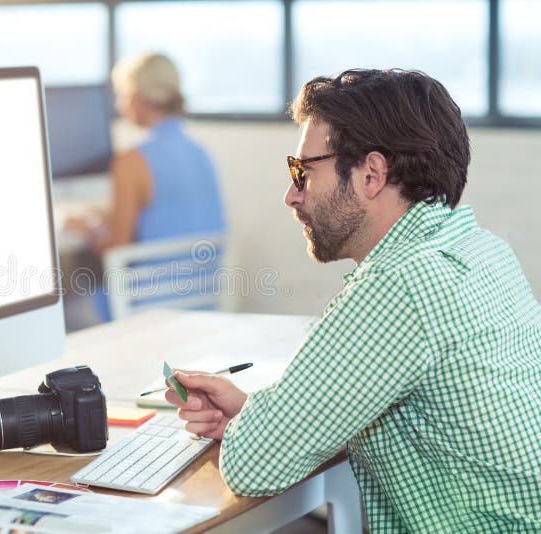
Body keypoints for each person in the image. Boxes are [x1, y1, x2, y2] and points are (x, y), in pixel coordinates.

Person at [166, 69, 541, 532]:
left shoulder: (400, 285)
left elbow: (253, 465)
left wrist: (259, 427)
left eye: (303, 171)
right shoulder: (480, 250)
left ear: (371, 174)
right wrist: (256, 412)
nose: (291, 195)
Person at [66, 52, 225, 253]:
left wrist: (83, 230)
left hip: (149, 284)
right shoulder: (201, 152)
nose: (119, 104)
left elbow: (117, 251)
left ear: (137, 96)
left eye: (122, 94)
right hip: (206, 283)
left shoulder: (131, 161)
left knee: (70, 282)